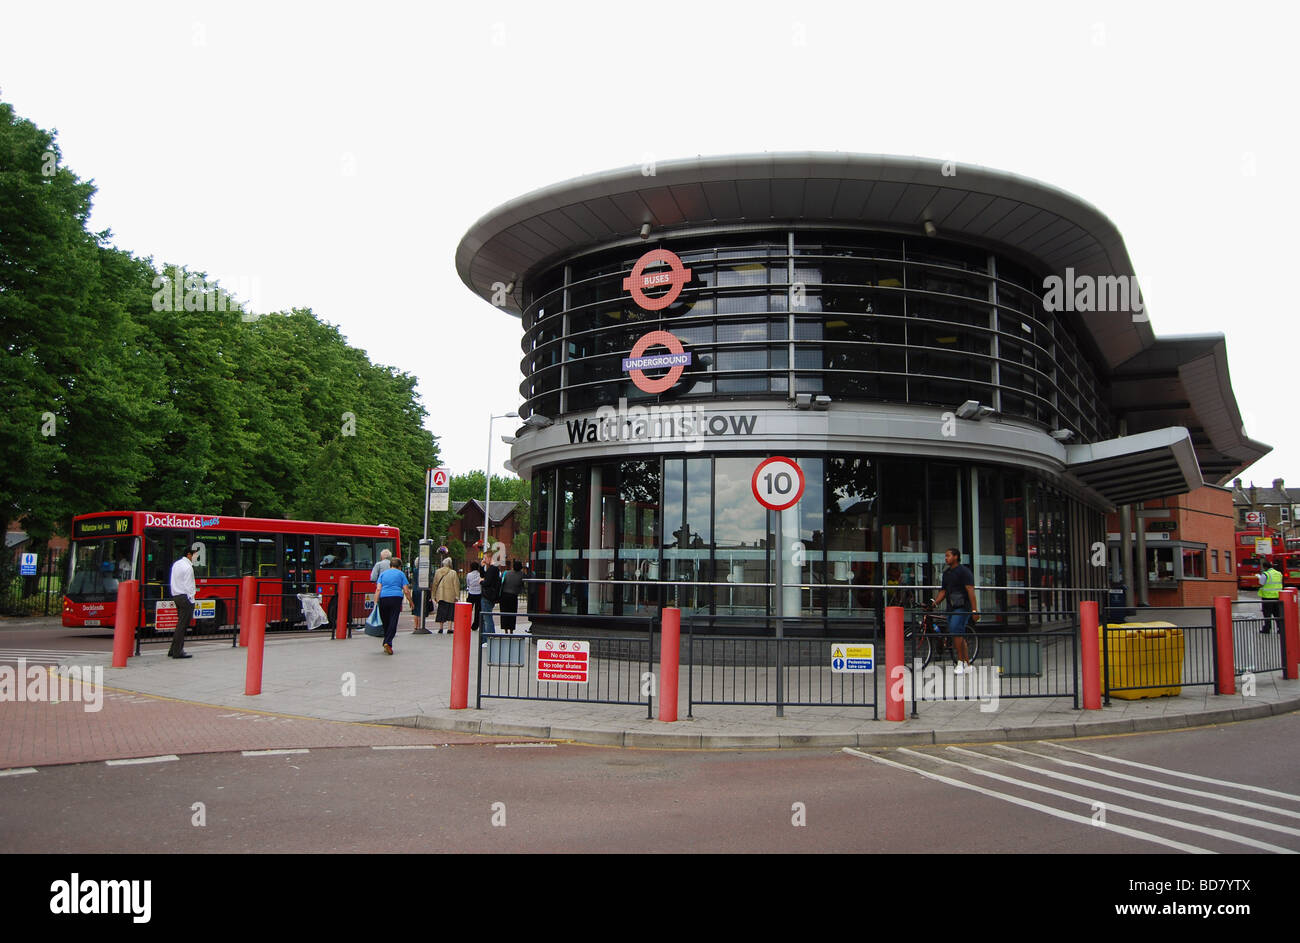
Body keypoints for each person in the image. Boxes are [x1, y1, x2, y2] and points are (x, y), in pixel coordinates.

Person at [930, 547, 978, 674]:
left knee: (956, 630)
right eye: (945, 556)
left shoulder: (964, 572)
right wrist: (935, 603)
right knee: (957, 634)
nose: (946, 558)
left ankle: (960, 662)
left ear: (956, 557)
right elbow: (943, 591)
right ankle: (967, 664)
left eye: (948, 556)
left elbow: (970, 591)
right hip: (951, 607)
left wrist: (974, 610)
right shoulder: (947, 573)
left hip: (963, 607)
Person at [374, 556, 413, 655]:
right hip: (396, 598)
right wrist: (411, 602)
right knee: (393, 621)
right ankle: (388, 642)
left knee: (386, 622)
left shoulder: (383, 574)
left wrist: (375, 602)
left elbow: (378, 589)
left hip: (383, 598)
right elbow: (406, 590)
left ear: (390, 565)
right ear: (399, 566)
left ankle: (386, 643)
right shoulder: (401, 574)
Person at [167, 543, 201, 659]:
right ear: (189, 555)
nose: (196, 557)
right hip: (185, 598)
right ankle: (177, 652)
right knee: (183, 626)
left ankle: (173, 650)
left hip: (176, 595)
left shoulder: (177, 564)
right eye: (195, 555)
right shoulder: (188, 567)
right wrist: (191, 599)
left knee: (179, 624)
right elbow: (189, 586)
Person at [431, 557, 460, 634]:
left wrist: (433, 595)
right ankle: (450, 628)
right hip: (451, 595)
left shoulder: (438, 572)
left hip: (440, 595)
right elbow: (456, 585)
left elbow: (434, 584)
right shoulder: (453, 572)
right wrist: (457, 595)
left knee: (441, 611)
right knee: (450, 611)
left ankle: (441, 628)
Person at [499, 559, 526, 634]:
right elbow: (522, 586)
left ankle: (505, 630)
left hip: (504, 596)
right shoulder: (521, 574)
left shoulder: (506, 573)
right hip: (513, 596)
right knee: (512, 613)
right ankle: (511, 630)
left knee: (504, 613)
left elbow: (501, 582)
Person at [1258, 557, 1283, 633]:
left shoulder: (1265, 574)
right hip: (1277, 597)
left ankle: (1267, 629)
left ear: (1265, 567)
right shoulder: (1279, 573)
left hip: (1267, 598)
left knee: (1267, 614)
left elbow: (1261, 583)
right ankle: (1280, 628)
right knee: (1277, 614)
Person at [481, 558, 501, 634]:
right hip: (491, 596)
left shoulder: (492, 569)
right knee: (486, 617)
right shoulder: (495, 569)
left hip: (487, 596)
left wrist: (481, 582)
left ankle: (489, 637)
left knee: (487, 618)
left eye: (485, 558)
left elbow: (487, 582)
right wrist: (482, 567)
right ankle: (486, 638)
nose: (484, 560)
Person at [466, 563, 483, 631]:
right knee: (477, 611)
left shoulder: (469, 575)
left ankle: (466, 623)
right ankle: (475, 625)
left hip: (471, 593)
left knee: (468, 610)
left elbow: (468, 583)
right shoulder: (480, 575)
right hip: (479, 593)